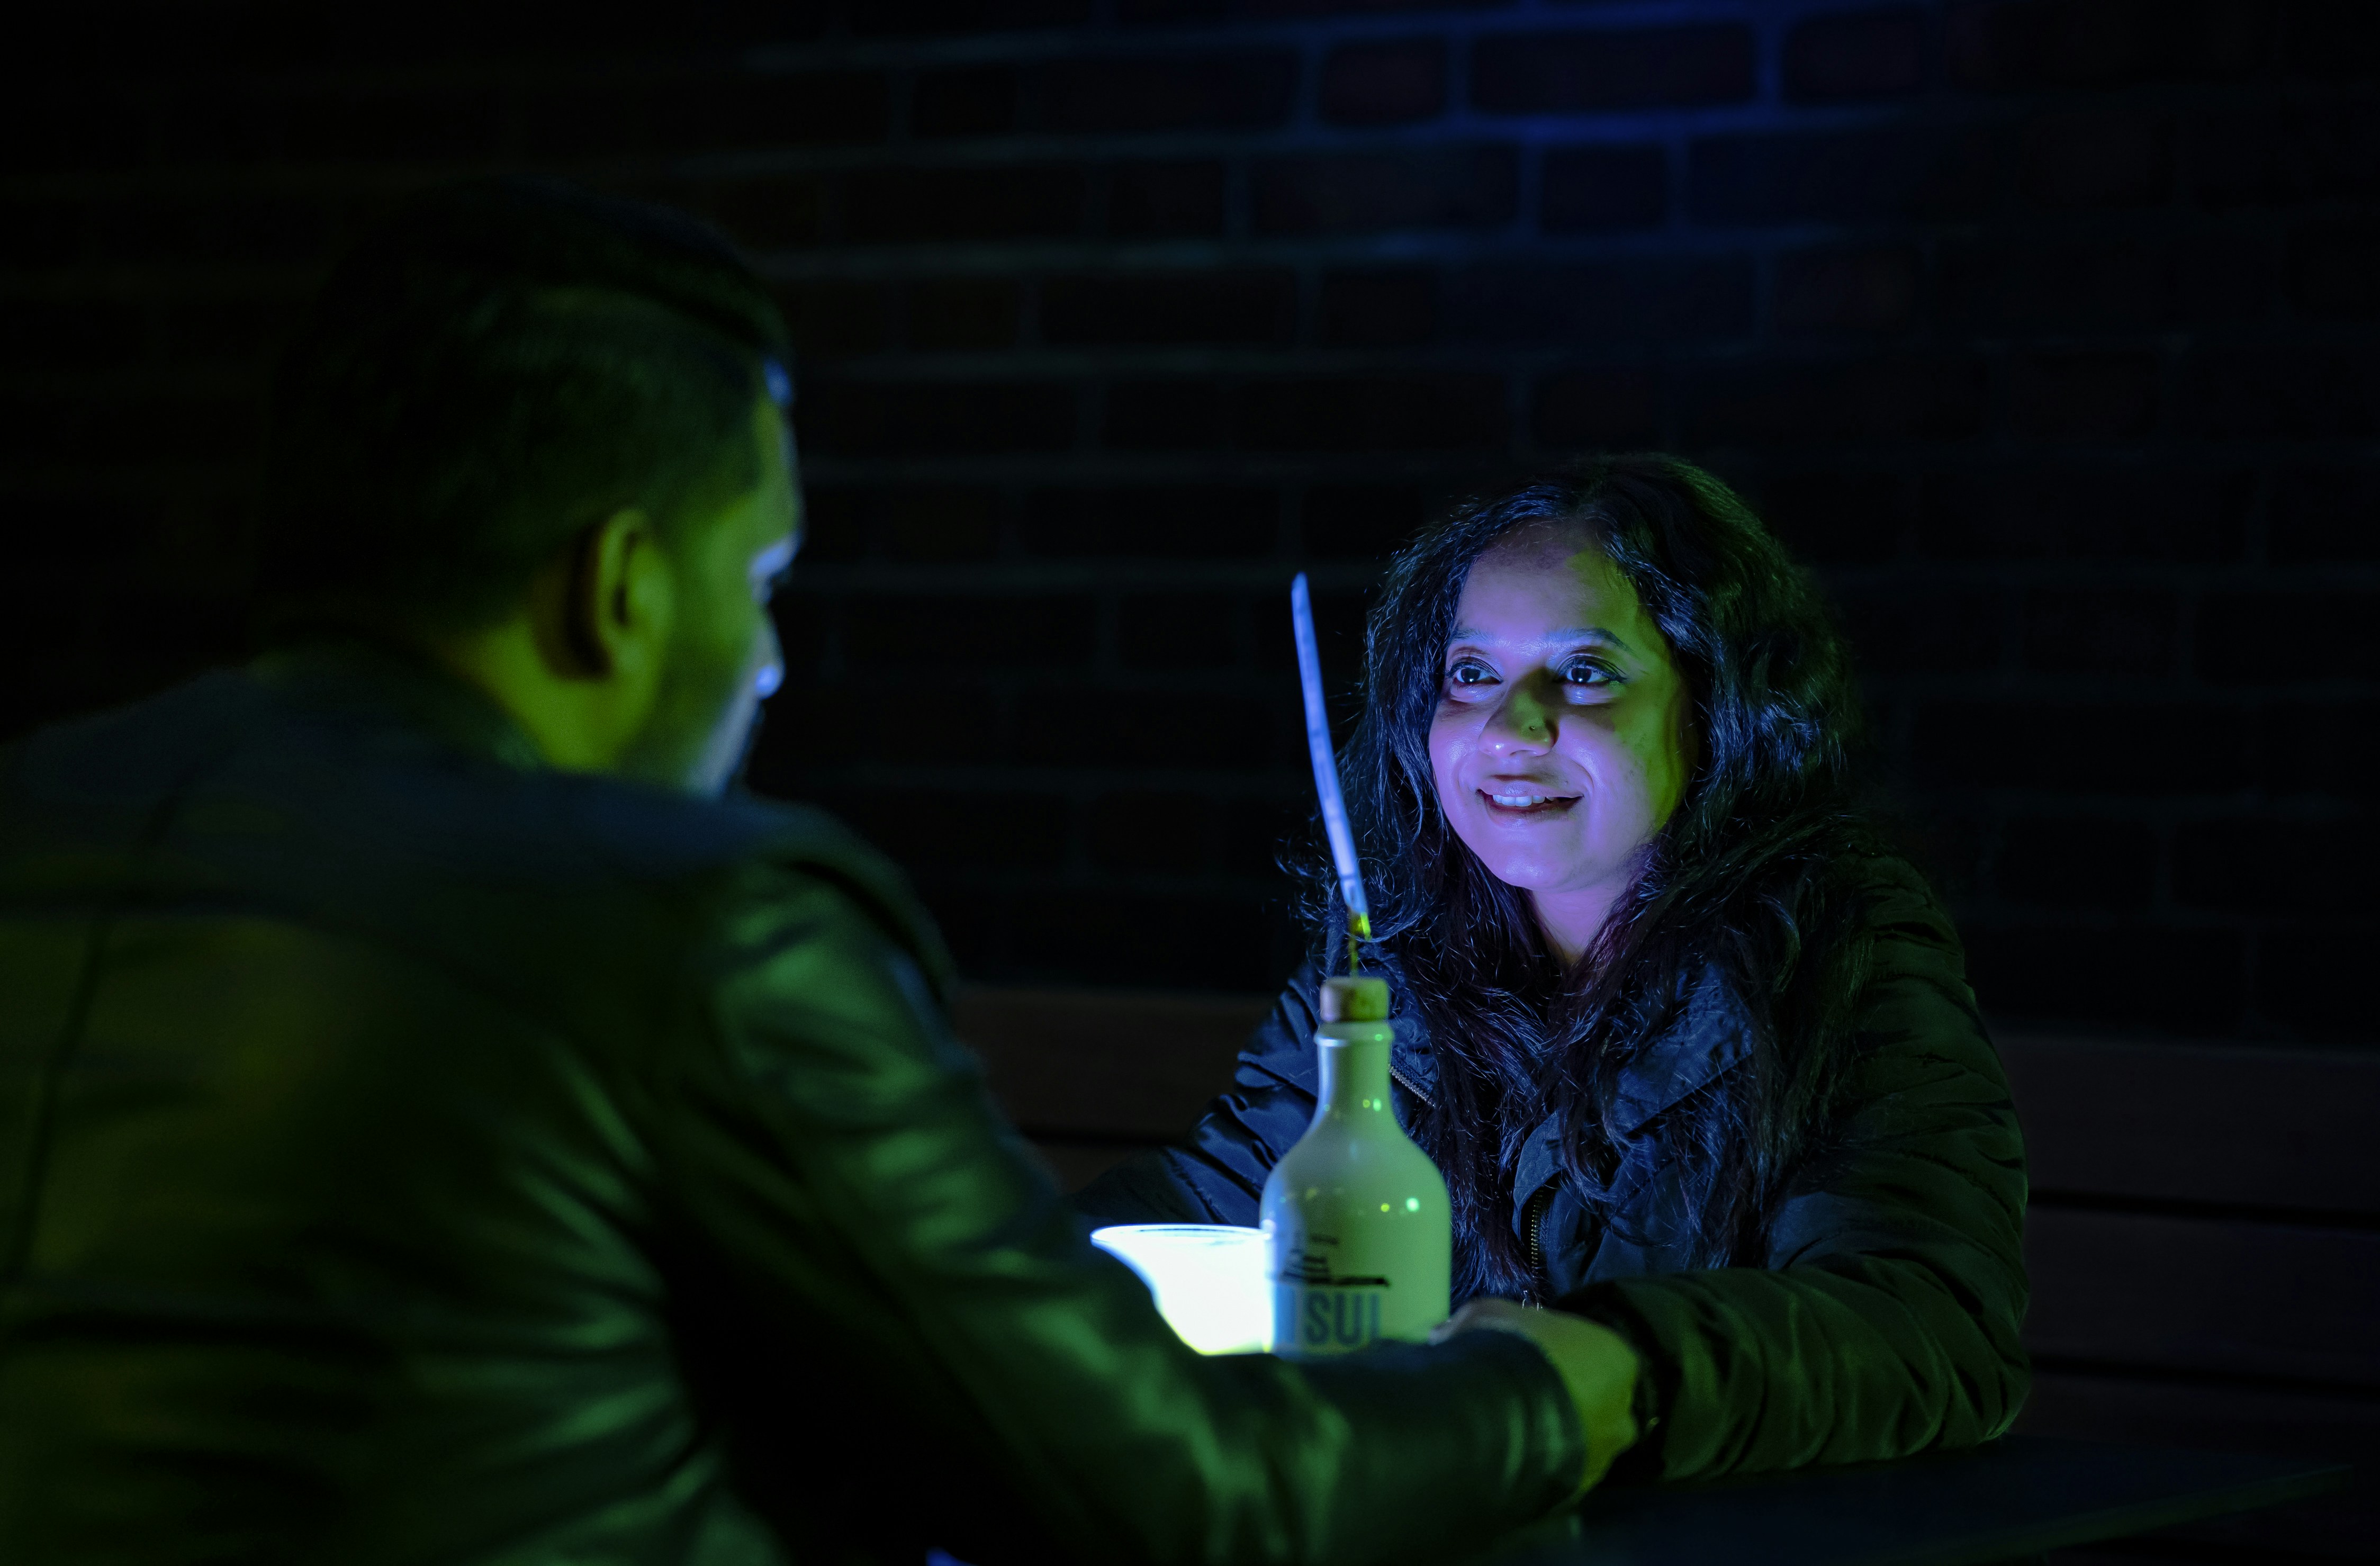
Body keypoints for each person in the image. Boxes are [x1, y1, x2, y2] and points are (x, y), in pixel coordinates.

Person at [0, 180, 1629, 1564]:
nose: (772, 661)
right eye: (762, 579)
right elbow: (1172, 1483)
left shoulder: (43, 806)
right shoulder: (700, 917)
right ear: (622, 586)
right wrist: (1549, 1390)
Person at [1081, 462, 2030, 1481]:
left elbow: (1930, 1326)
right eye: (1473, 674)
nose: (1509, 729)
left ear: (1711, 706)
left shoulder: (1839, 950)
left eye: (1584, 672)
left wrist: (1620, 1365)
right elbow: (1208, 1202)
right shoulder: (1393, 960)